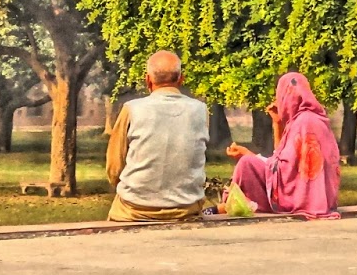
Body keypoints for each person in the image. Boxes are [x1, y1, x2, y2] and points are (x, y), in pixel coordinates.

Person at [104, 49, 208, 222]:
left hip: (134, 210)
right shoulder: (200, 110)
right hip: (185, 210)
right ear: (181, 79)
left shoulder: (132, 109)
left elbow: (114, 168)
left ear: (148, 80)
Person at [225, 72, 340, 218]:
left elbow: (282, 172)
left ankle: (227, 204)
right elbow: (282, 162)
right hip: (315, 198)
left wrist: (248, 155)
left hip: (300, 199)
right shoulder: (314, 118)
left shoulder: (303, 123)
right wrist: (277, 123)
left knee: (246, 164)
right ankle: (231, 203)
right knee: (249, 162)